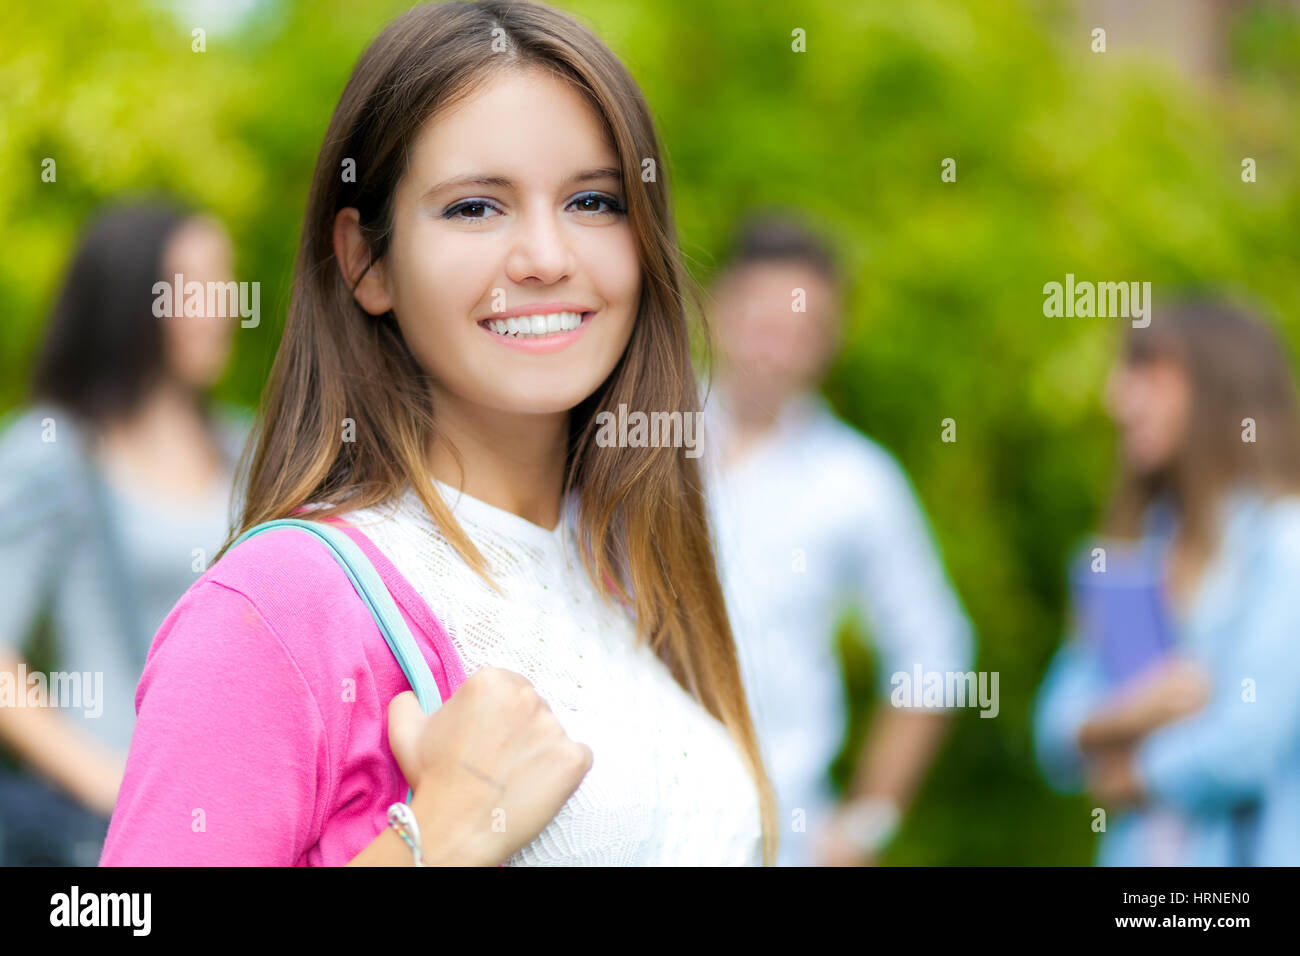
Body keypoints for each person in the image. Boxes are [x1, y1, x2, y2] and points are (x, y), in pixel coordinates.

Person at [100, 0, 780, 867]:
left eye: (593, 200)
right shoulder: (282, 604)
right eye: (473, 208)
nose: (545, 255)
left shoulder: (626, 574)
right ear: (366, 260)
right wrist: (440, 838)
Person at [699, 213, 975, 866]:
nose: (773, 346)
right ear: (716, 310)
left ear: (831, 340)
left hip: (775, 836)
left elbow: (935, 654)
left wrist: (864, 825)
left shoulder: (859, 482)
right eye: (760, 320)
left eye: (800, 330)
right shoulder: (629, 439)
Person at [0, 201, 248, 865]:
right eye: (197, 285)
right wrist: (107, 782)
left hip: (244, 824)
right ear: (135, 298)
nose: (224, 304)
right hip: (110, 832)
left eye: (226, 280)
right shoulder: (55, 454)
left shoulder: (249, 449)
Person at [1033, 300, 1300, 866]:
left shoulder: (1284, 546)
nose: (1117, 399)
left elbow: (1246, 743)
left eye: (1148, 375)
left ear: (1221, 390)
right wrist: (1141, 709)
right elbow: (1055, 728)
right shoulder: (1134, 554)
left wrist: (1128, 775)